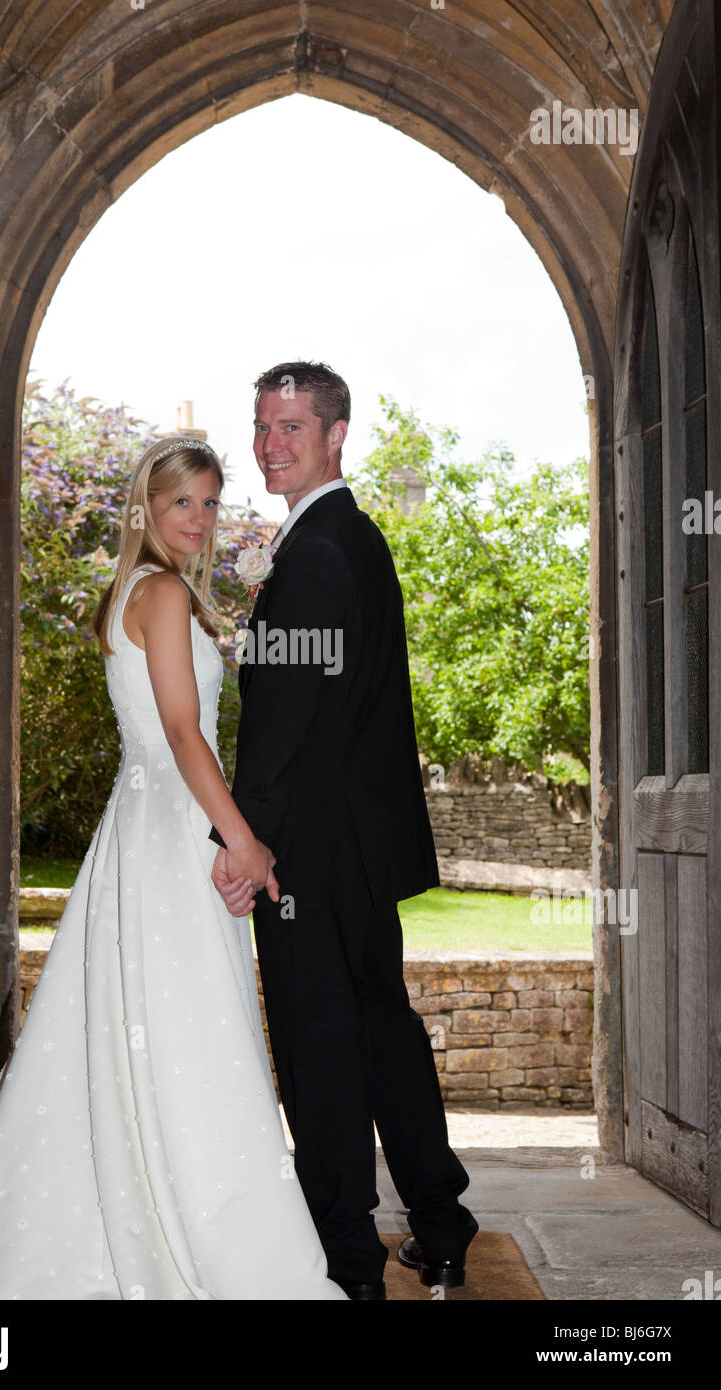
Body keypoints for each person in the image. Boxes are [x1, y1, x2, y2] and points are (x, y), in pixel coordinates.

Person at [0, 435, 348, 1301]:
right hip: (171, 835)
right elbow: (181, 733)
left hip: (144, 831)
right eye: (184, 504)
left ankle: (145, 1207)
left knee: (155, 1032)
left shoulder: (130, 592)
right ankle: (208, 1236)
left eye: (211, 503)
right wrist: (241, 840)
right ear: (146, 507)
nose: (202, 521)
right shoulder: (163, 594)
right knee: (190, 1033)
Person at [210, 362, 479, 1301]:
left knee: (321, 1050)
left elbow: (281, 720)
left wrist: (242, 844)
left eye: (291, 427)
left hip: (308, 856)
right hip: (359, 850)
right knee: (382, 1035)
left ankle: (347, 1260)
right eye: (262, 426)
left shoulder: (317, 552)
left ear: (336, 435)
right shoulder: (354, 539)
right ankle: (442, 1229)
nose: (270, 444)